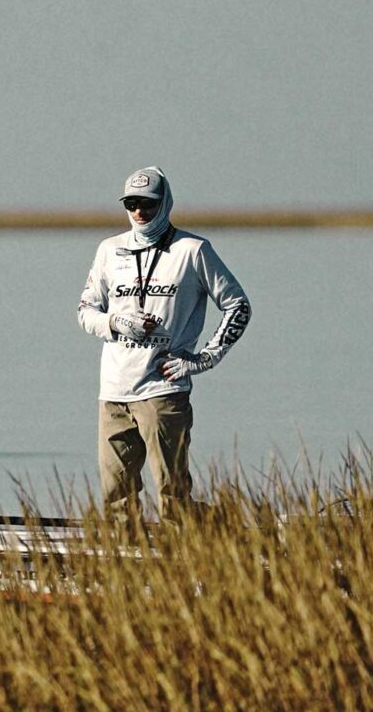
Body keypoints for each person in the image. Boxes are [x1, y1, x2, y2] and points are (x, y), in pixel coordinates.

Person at [76, 166, 250, 518]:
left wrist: (205, 358)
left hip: (163, 390)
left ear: (165, 203)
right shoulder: (109, 250)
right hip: (113, 392)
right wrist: (116, 322)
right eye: (131, 203)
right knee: (116, 500)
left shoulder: (193, 250)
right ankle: (123, 554)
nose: (139, 212)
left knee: (173, 499)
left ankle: (218, 525)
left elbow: (238, 306)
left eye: (149, 204)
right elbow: (85, 311)